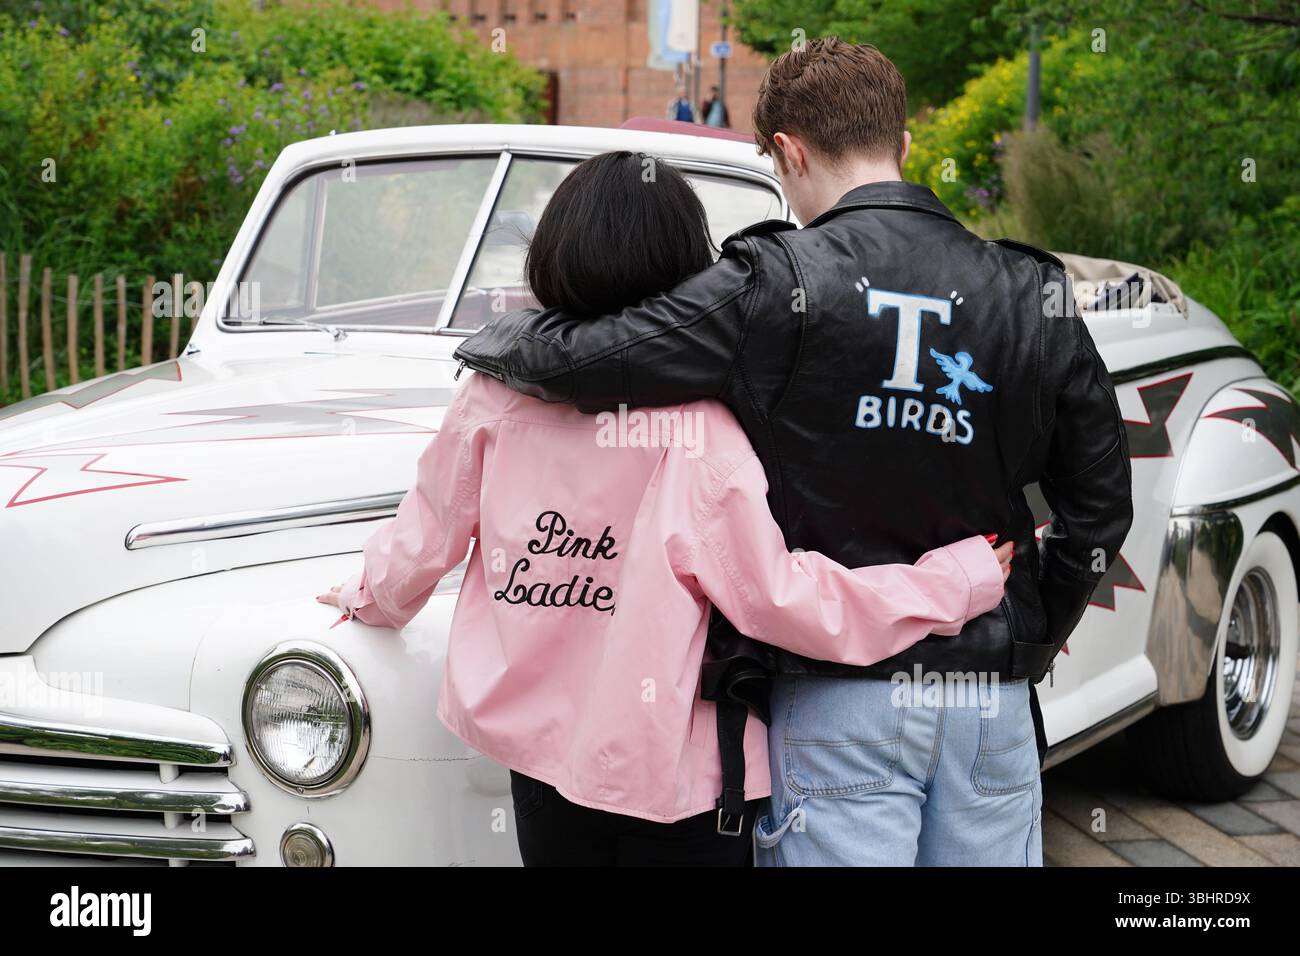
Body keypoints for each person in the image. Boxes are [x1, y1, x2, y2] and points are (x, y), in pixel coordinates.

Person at [454, 40, 1134, 866]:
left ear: (789, 151)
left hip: (836, 701)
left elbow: (602, 355)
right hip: (987, 698)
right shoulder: (1035, 291)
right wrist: (1025, 635)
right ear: (906, 145)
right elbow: (1100, 504)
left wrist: (494, 347)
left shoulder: (772, 283)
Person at [320, 151, 1012, 867]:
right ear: (688, 268)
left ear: (555, 249)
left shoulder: (492, 394)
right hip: (672, 784)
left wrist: (367, 596)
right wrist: (952, 582)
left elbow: (425, 534)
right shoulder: (698, 426)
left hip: (536, 757)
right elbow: (780, 601)